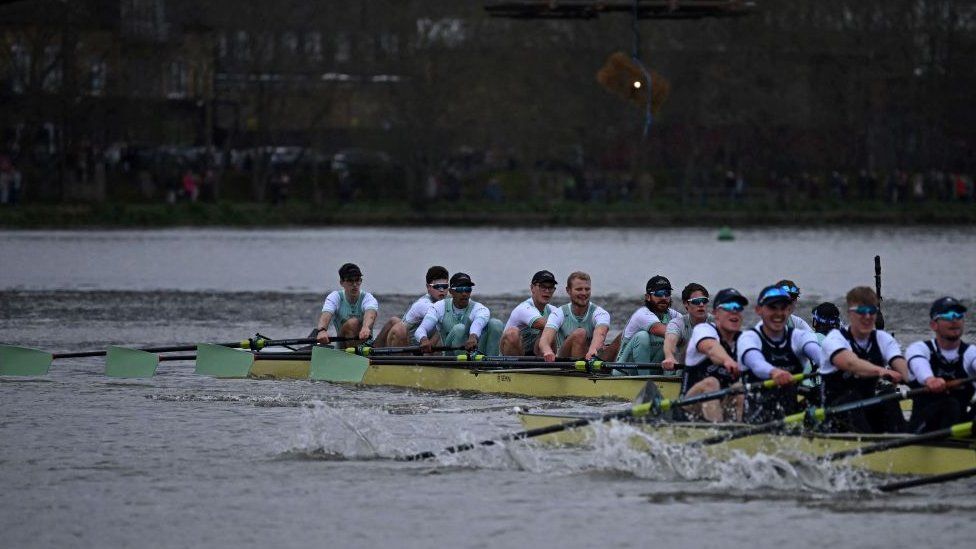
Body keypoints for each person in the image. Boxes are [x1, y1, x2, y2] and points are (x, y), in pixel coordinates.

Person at [819, 286, 908, 433]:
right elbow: (850, 363)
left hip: (865, 410)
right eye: (861, 311)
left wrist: (927, 380)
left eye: (871, 311)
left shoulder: (882, 339)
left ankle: (906, 438)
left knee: (888, 395)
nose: (867, 317)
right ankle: (874, 441)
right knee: (851, 398)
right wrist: (881, 371)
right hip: (835, 416)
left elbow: (901, 366)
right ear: (849, 314)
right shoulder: (835, 338)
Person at [738, 285, 824, 422]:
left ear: (788, 310)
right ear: (758, 310)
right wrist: (774, 373)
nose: (778, 313)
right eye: (772, 307)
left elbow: (820, 356)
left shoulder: (800, 336)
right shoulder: (748, 337)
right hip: (756, 415)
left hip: (790, 412)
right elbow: (755, 363)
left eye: (783, 308)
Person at [905, 297, 976, 433]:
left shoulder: (970, 352)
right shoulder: (919, 348)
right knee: (950, 404)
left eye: (958, 315)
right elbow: (919, 364)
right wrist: (930, 380)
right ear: (934, 325)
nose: (954, 320)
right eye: (948, 316)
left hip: (957, 428)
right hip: (922, 429)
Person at [680, 288, 748, 422]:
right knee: (711, 383)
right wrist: (727, 360)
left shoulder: (744, 339)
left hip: (722, 406)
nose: (734, 311)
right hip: (688, 408)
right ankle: (718, 430)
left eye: (738, 307)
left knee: (739, 388)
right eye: (728, 307)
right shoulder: (704, 329)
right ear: (716, 313)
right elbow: (711, 348)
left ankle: (739, 429)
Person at [416, 272, 503, 355]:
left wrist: (473, 336)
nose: (464, 294)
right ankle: (464, 366)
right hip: (451, 356)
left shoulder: (479, 308)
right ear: (451, 291)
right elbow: (422, 329)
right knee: (459, 329)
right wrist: (423, 339)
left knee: (496, 324)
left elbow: (479, 322)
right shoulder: (439, 307)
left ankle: (493, 363)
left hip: (477, 354)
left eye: (468, 290)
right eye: (460, 289)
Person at [613, 275, 682, 372]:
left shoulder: (674, 315)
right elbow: (660, 330)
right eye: (659, 293)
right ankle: (644, 379)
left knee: (678, 341)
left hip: (653, 369)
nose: (663, 297)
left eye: (667, 293)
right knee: (643, 336)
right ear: (648, 297)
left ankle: (672, 377)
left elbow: (689, 331)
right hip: (626, 370)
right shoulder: (642, 314)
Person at [537, 271, 611, 361]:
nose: (584, 293)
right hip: (563, 360)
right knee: (580, 333)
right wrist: (547, 351)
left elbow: (601, 333)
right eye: (579, 289)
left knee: (623, 337)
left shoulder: (601, 313)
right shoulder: (558, 313)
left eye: (587, 289)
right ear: (568, 290)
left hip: (590, 358)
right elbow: (544, 340)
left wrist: (593, 350)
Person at [374, 266, 449, 348]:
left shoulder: (446, 302)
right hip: (405, 345)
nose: (442, 290)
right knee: (398, 325)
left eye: (445, 286)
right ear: (428, 287)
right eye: (437, 286)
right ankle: (373, 351)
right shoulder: (423, 304)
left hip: (422, 347)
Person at [315, 263, 378, 346]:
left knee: (394, 321)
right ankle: (352, 355)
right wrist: (322, 331)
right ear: (341, 282)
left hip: (367, 347)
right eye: (350, 281)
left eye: (357, 280)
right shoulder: (335, 297)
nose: (355, 285)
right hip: (343, 347)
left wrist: (365, 327)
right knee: (353, 322)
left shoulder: (368, 297)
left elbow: (371, 313)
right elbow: (326, 314)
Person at [500, 270, 558, 356]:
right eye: (543, 286)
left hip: (536, 355)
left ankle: (544, 366)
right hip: (514, 357)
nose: (547, 291)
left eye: (550, 287)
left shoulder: (553, 310)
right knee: (512, 333)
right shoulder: (523, 308)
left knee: (549, 331)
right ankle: (515, 368)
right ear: (532, 288)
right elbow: (543, 324)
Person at [662, 283, 713, 373]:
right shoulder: (677, 323)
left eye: (704, 301)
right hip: (682, 372)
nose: (701, 304)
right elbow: (670, 340)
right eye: (696, 301)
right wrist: (669, 356)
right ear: (686, 304)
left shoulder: (716, 322)